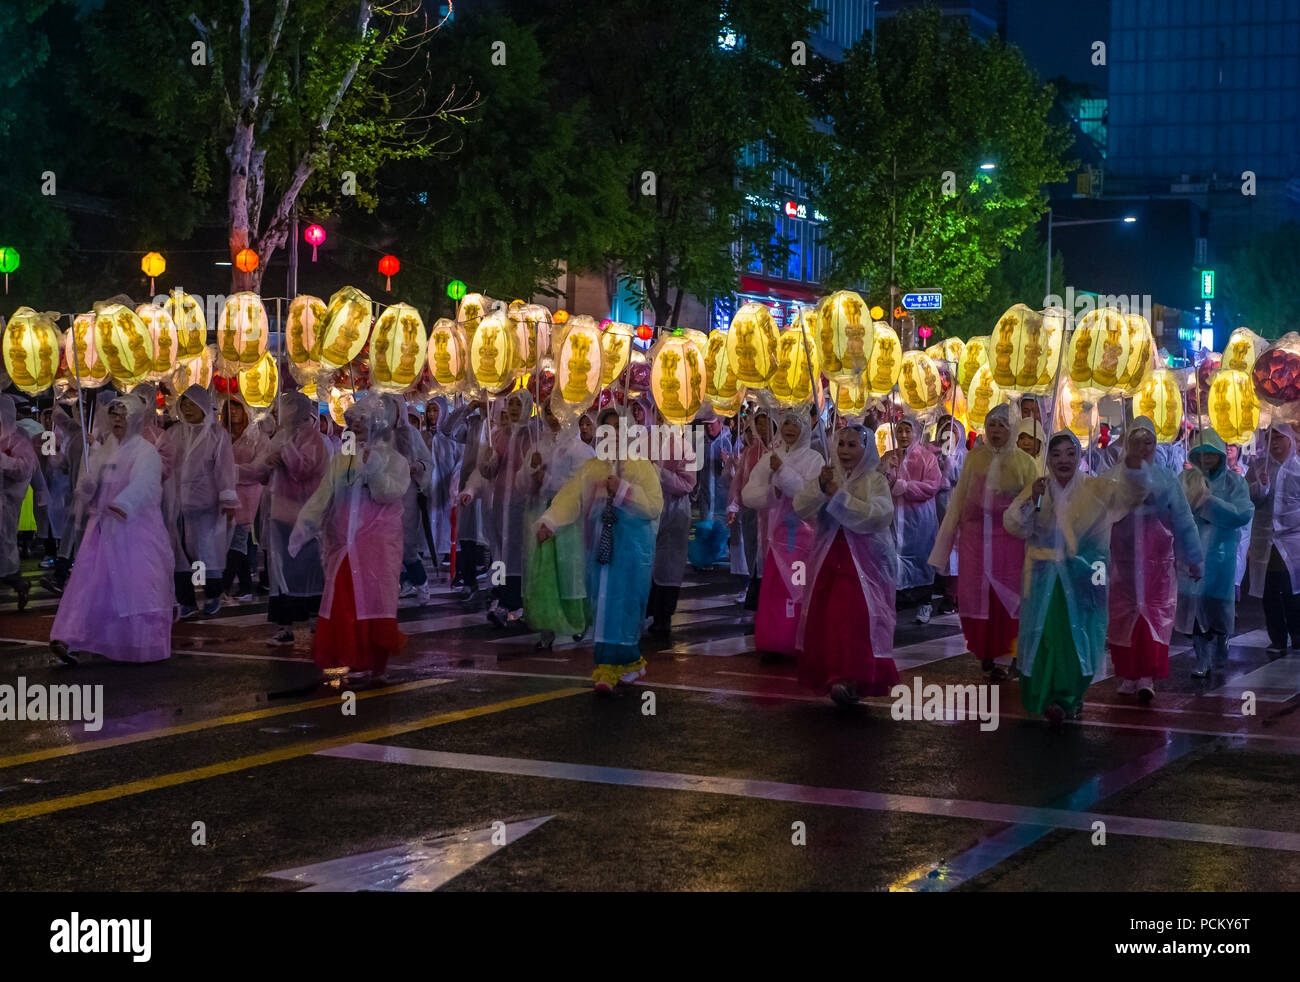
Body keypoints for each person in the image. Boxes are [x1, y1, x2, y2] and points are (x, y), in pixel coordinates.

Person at [1004, 431, 1151, 724]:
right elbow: (1013, 524)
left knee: (1081, 635)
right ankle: (1046, 697)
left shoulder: (1096, 487)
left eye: (1070, 453)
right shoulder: (1038, 489)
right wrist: (1031, 499)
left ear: (1079, 457)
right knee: (1043, 636)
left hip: (1087, 574)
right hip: (1043, 577)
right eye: (1056, 454)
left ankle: (1070, 696)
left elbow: (1130, 495)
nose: (1063, 460)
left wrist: (1134, 464)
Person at [536, 404, 663, 694]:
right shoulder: (592, 468)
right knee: (602, 603)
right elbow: (570, 497)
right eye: (607, 428)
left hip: (631, 551)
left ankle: (609, 667)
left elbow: (653, 506)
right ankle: (624, 663)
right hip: (598, 550)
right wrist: (549, 522)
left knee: (624, 605)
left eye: (618, 428)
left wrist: (623, 490)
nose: (612, 434)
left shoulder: (639, 465)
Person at [292, 394, 410, 681]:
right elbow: (325, 495)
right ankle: (351, 658)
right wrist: (305, 525)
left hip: (377, 547)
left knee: (374, 599)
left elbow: (390, 493)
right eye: (353, 420)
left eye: (363, 420)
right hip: (343, 544)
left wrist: (373, 472)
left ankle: (374, 660)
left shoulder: (394, 459)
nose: (356, 425)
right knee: (345, 601)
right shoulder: (342, 459)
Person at [50, 394, 173, 664]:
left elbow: (146, 484)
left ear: (136, 419)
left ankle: (140, 643)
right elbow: (92, 480)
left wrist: (125, 503)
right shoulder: (106, 449)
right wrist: (87, 488)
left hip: (135, 533)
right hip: (103, 532)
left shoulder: (145, 452)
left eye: (123, 416)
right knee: (88, 585)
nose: (117, 421)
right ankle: (69, 638)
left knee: (134, 588)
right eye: (114, 416)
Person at [928, 404, 1038, 681]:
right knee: (979, 596)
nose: (996, 431)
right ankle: (986, 650)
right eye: (992, 425)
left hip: (1009, 544)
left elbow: (1032, 504)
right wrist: (952, 533)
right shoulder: (976, 458)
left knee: (1008, 598)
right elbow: (961, 498)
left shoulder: (1025, 462)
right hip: (975, 541)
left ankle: (1005, 656)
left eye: (1002, 425)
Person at [793, 424, 898, 707]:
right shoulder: (827, 475)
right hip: (828, 559)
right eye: (842, 445)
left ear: (866, 449)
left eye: (853, 445)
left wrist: (840, 497)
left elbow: (879, 516)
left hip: (863, 565)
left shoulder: (874, 481)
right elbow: (802, 508)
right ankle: (835, 675)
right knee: (827, 619)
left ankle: (851, 676)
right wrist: (819, 487)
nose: (845, 451)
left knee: (852, 620)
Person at [1105, 417, 1204, 704]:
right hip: (1122, 563)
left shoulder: (1165, 479)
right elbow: (1100, 515)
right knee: (1124, 617)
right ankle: (1128, 674)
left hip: (1158, 564)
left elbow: (1184, 521)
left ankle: (1147, 676)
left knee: (1154, 616)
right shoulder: (1113, 477)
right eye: (1136, 441)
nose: (1142, 447)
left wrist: (1193, 559)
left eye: (1148, 441)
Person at [741, 407, 824, 662]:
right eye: (786, 424)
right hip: (774, 541)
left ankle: (800, 640)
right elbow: (749, 494)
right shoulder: (770, 457)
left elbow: (810, 495)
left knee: (800, 590)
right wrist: (771, 493)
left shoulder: (814, 460)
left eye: (795, 425)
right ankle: (775, 640)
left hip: (803, 541)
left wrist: (783, 473)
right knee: (776, 592)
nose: (789, 430)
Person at [1176, 430, 1254, 679]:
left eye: (1211, 455)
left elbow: (1242, 514)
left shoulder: (1235, 483)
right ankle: (1202, 657)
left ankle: (1222, 639)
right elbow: (1174, 508)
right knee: (1193, 609)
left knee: (1218, 608)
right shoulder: (1186, 480)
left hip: (1221, 556)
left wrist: (1210, 503)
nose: (1206, 461)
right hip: (1192, 554)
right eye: (1202, 455)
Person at [158, 385, 238, 618]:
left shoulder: (217, 435)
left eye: (193, 404)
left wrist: (228, 499)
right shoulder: (173, 433)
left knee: (206, 552)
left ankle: (212, 594)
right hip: (177, 504)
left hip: (206, 505)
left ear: (204, 406)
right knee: (181, 553)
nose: (188, 409)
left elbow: (224, 469)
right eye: (184, 404)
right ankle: (188, 599)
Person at [257, 391, 329, 647]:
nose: (281, 413)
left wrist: (284, 452)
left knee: (308, 568)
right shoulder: (280, 436)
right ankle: (284, 625)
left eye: (286, 408)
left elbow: (303, 469)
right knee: (280, 570)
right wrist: (269, 460)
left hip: (304, 514)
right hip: (278, 513)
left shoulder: (315, 440)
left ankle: (315, 618)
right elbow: (262, 472)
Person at [521, 402, 595, 648]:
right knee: (544, 573)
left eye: (556, 411)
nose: (552, 417)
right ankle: (549, 625)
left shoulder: (581, 451)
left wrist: (548, 479)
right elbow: (522, 485)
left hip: (569, 522)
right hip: (540, 516)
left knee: (570, 574)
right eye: (548, 412)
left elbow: (580, 488)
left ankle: (576, 622)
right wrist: (532, 469)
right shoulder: (538, 445)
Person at [461, 390, 534, 625]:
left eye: (517, 404)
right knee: (501, 552)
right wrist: (488, 460)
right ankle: (502, 597)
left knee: (519, 552)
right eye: (510, 404)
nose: (513, 409)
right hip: (500, 503)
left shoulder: (532, 436)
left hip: (522, 504)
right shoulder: (498, 435)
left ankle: (518, 601)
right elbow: (488, 472)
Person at [879, 413, 942, 623]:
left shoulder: (927, 458)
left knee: (921, 559)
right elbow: (877, 483)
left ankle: (924, 603)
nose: (903, 435)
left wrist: (905, 486)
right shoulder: (889, 455)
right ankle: (895, 603)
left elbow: (932, 487)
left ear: (915, 432)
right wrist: (887, 470)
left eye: (908, 430)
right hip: (895, 518)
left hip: (919, 520)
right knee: (893, 558)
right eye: (900, 430)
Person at [1245, 424, 1300, 657]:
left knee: (1292, 590)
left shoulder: (1298, 468)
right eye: (1270, 438)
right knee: (1269, 591)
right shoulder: (1258, 467)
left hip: (1292, 541)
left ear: (1290, 439)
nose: (1274, 443)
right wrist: (1261, 486)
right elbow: (1248, 500)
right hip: (1264, 539)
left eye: (1279, 437)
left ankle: (1297, 635)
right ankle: (1276, 637)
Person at [646, 399, 695, 637]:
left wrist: (660, 473)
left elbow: (687, 484)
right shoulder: (641, 444)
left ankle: (663, 616)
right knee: (647, 563)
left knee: (668, 566)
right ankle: (646, 611)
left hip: (674, 513)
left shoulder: (685, 447)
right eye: (658, 415)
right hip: (648, 511)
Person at [220, 392, 269, 602]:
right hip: (223, 496)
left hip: (249, 496)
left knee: (238, 540)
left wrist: (230, 471)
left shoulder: (258, 438)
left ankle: (222, 586)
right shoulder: (220, 436)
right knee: (230, 541)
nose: (232, 411)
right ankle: (246, 587)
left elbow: (259, 469)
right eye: (229, 407)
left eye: (237, 406)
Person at [442, 394, 490, 605]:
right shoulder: (473, 423)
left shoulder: (500, 426)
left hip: (490, 490)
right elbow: (447, 430)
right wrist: (467, 409)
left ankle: (496, 589)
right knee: (468, 538)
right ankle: (470, 583)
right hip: (467, 490)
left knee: (490, 541)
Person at [727, 405, 769, 606]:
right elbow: (740, 481)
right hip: (751, 511)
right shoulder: (750, 452)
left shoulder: (779, 452)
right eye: (758, 424)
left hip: (772, 514)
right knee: (752, 549)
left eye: (765, 424)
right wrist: (734, 505)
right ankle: (754, 590)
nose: (761, 428)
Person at [394, 398, 435, 599]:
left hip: (407, 494)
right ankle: (401, 582)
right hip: (384, 495)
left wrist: (418, 467)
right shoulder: (379, 435)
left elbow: (427, 460)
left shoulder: (412, 434)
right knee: (388, 543)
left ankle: (420, 582)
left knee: (407, 543)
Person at [0, 396, 38, 609]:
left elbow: (27, 468)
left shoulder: (18, 439)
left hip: (6, 504)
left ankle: (19, 583)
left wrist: (4, 461)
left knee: (4, 549)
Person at [930, 414, 966, 614]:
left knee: (955, 553)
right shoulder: (932, 454)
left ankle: (953, 595)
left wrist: (952, 467)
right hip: (937, 508)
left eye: (952, 432)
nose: (948, 436)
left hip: (956, 509)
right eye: (944, 431)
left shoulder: (966, 456)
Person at [688, 415, 732, 570]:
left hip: (723, 494)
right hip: (705, 492)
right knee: (705, 524)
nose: (709, 428)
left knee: (721, 526)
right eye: (706, 425)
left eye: (712, 424)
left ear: (720, 422)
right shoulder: (700, 442)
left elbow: (736, 471)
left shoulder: (729, 441)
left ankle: (718, 555)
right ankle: (705, 559)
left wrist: (727, 462)